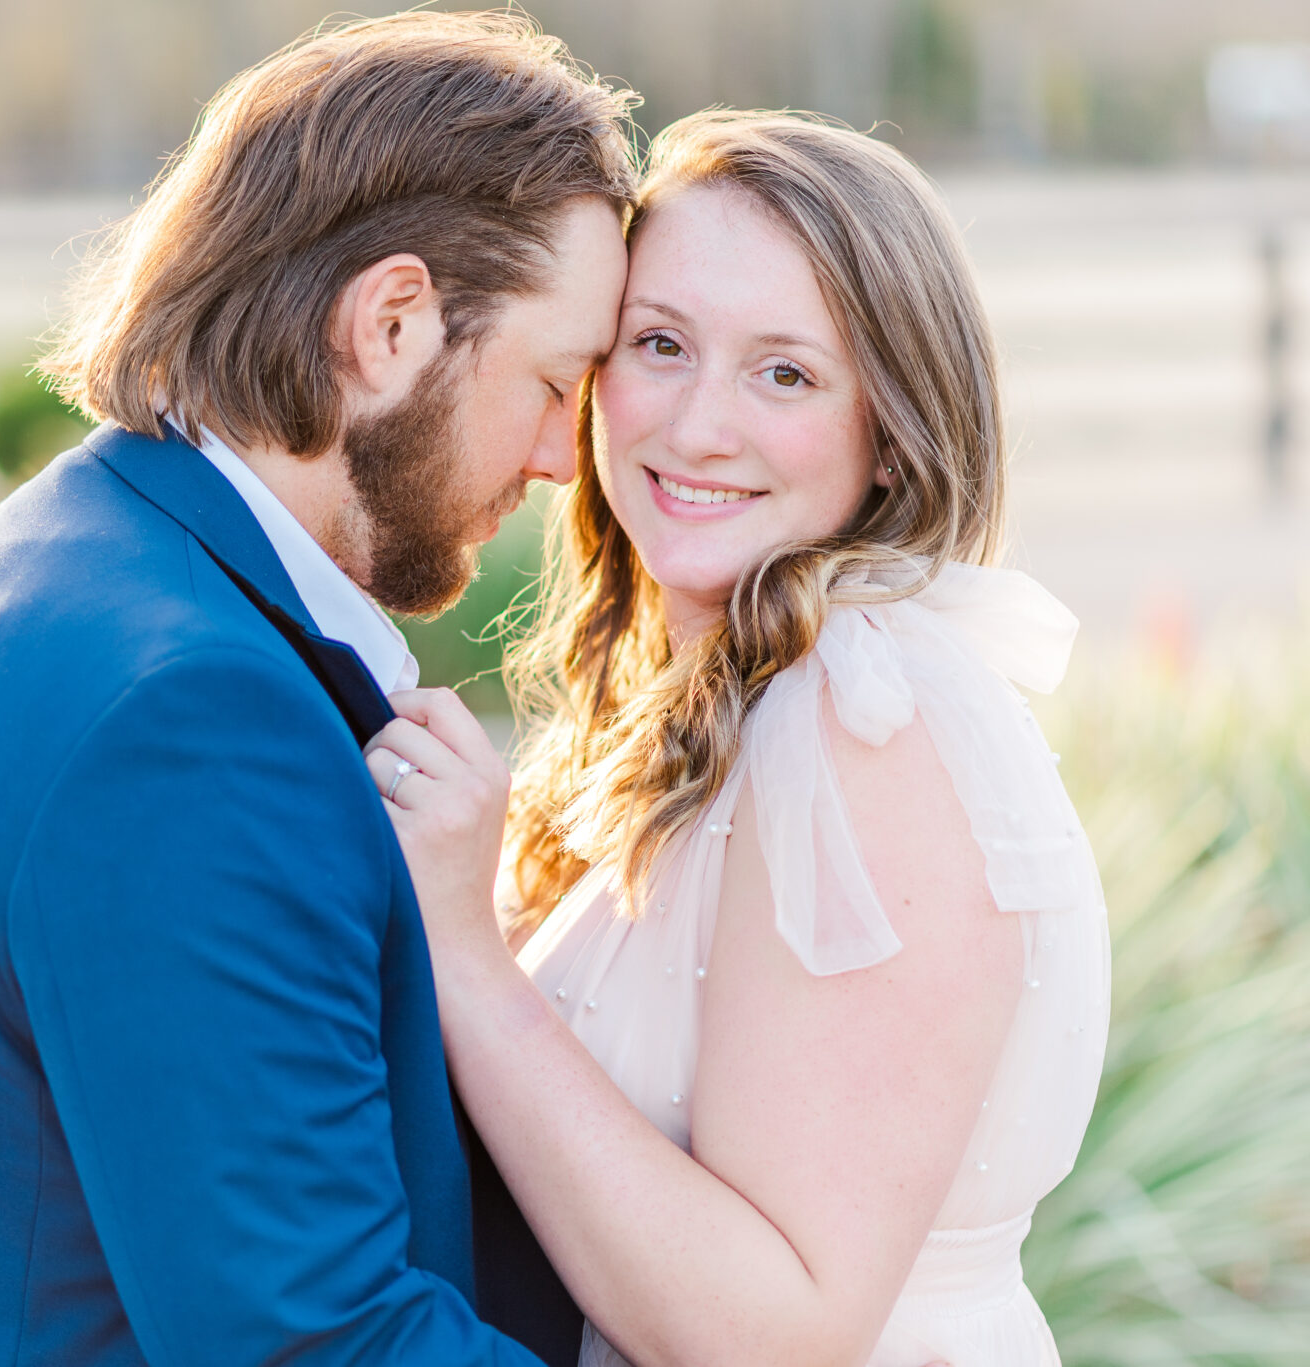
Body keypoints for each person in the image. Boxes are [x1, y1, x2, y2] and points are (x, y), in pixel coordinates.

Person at [0, 13, 636, 1364]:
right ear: (390, 322)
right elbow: (316, 1336)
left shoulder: (82, 543)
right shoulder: (190, 717)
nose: (564, 457)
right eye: (554, 383)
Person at [366, 111, 1111, 1367]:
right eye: (659, 345)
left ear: (891, 433)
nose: (696, 425)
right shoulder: (726, 690)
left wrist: (462, 957)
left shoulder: (864, 715)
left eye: (783, 373)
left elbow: (777, 1335)